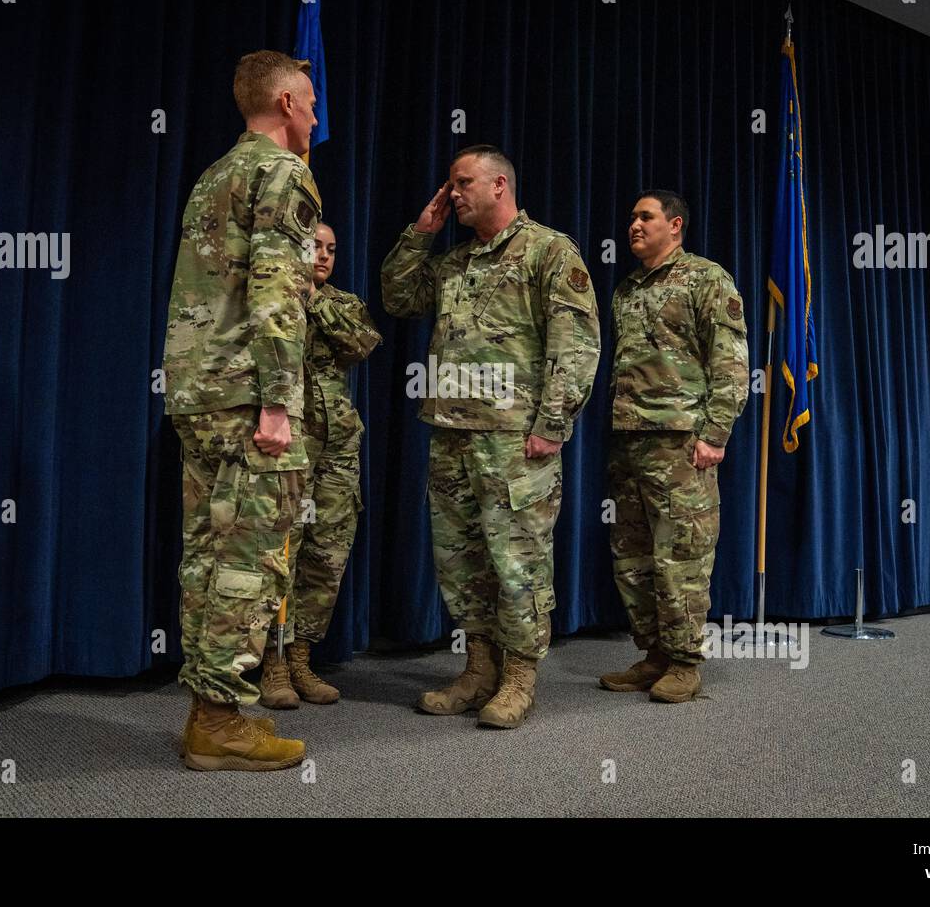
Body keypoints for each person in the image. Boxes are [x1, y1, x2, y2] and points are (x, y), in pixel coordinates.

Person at [381, 145, 600, 728]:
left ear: (500, 185)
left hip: (513, 440)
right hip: (451, 435)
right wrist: (420, 232)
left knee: (517, 561)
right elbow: (398, 297)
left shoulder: (549, 252)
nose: (453, 194)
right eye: (450, 184)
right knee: (460, 562)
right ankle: (478, 669)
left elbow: (576, 345)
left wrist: (552, 426)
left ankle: (520, 678)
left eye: (463, 183)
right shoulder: (454, 262)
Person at [162, 50, 320, 770]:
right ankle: (220, 720)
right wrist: (280, 403)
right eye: (310, 101)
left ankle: (210, 710)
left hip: (198, 390)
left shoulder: (214, 174)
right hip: (246, 395)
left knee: (206, 552)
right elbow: (276, 294)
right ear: (285, 104)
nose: (316, 116)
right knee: (250, 558)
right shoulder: (281, 173)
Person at [600, 191, 749, 702]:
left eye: (646, 216)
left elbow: (731, 365)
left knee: (681, 556)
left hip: (682, 444)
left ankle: (685, 662)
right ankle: (655, 654)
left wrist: (714, 435)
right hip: (628, 443)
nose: (634, 226)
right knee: (633, 558)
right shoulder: (626, 290)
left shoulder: (707, 279)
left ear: (676, 224)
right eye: (632, 217)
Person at [261, 222, 381, 707]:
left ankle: (301, 658)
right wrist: (297, 294)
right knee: (280, 553)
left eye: (333, 249)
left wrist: (314, 297)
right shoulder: (273, 299)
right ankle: (272, 660)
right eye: (316, 246)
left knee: (326, 556)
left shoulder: (342, 302)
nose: (326, 255)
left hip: (338, 447)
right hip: (290, 445)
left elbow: (362, 342)